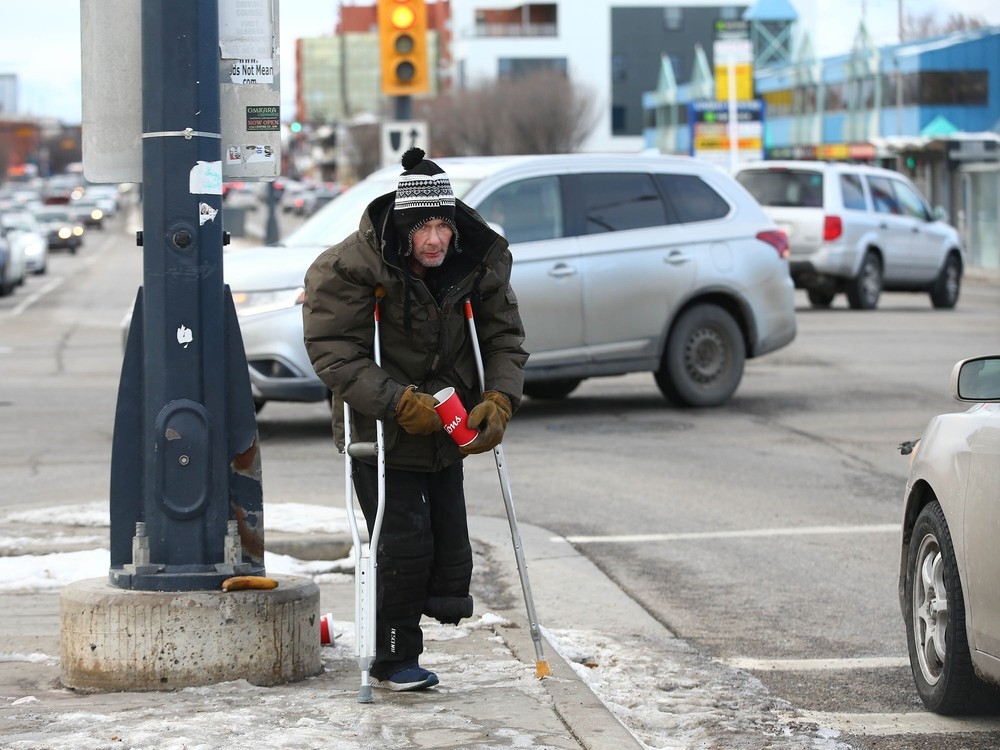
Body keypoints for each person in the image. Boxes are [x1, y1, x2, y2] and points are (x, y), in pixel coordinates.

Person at [302, 148, 528, 692]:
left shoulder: (475, 263)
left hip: (449, 423)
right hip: (380, 429)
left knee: (447, 542)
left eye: (443, 226)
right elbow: (335, 351)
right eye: (423, 227)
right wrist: (399, 402)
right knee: (401, 541)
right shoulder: (349, 267)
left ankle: (416, 626)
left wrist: (499, 398)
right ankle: (392, 657)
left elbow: (503, 338)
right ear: (403, 228)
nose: (434, 239)